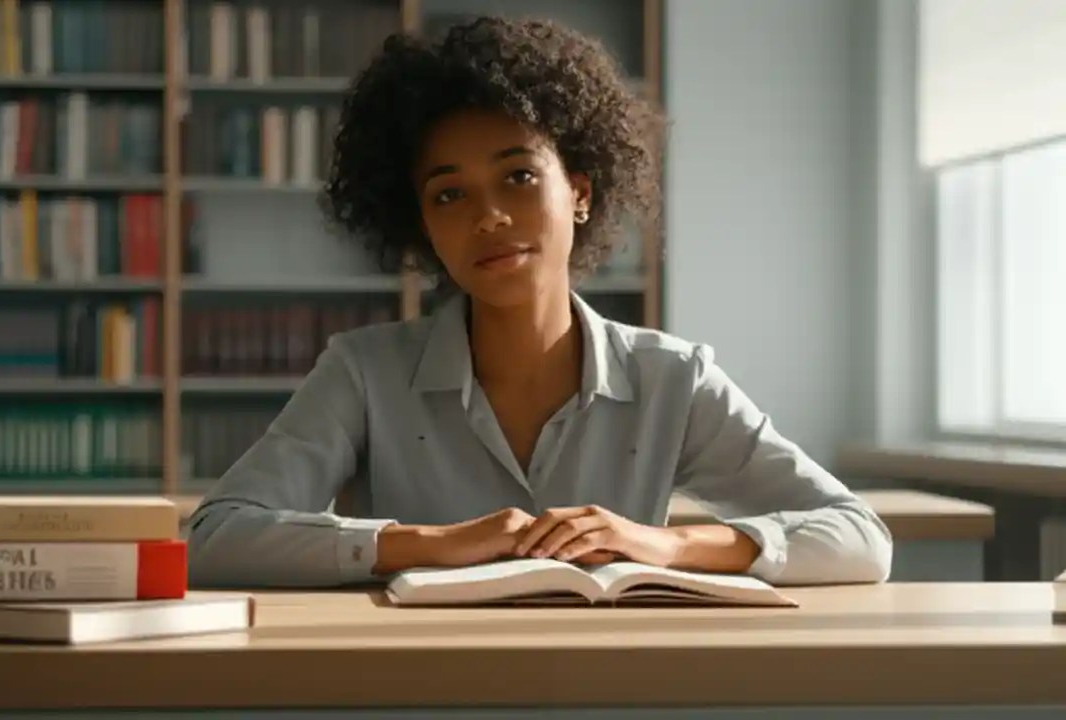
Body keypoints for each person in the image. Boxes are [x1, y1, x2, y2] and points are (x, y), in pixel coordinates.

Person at [186, 16, 892, 588]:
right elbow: (216, 538)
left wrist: (665, 544)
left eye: (519, 176)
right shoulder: (363, 372)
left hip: (609, 690)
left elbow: (860, 539)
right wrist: (431, 544)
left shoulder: (674, 378)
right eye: (449, 194)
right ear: (422, 225)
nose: (488, 217)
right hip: (417, 691)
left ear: (579, 193)